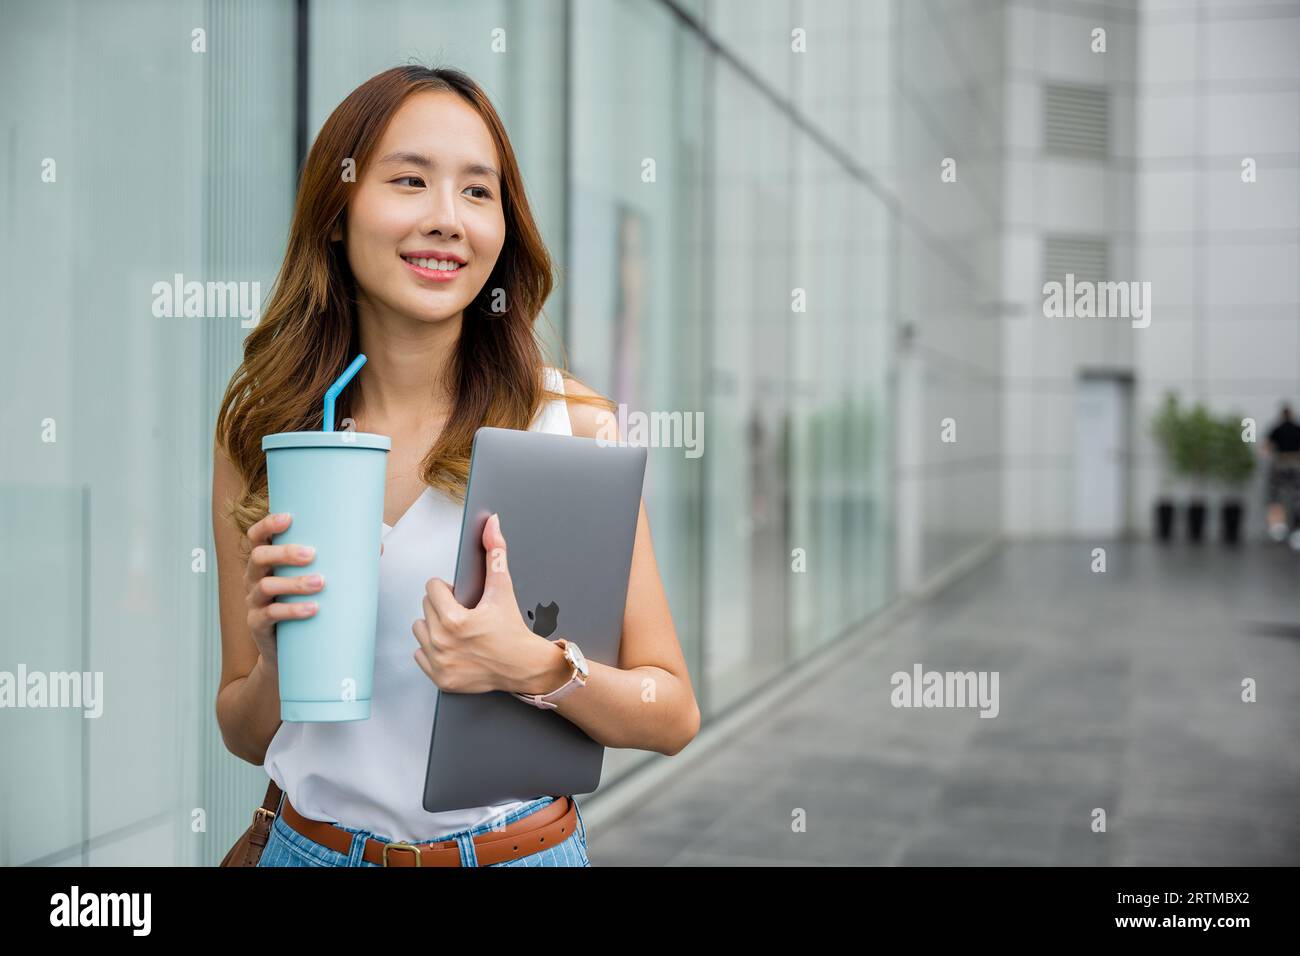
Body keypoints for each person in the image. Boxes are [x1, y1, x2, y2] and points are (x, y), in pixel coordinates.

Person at [212, 65, 700, 866]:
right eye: (409, 181)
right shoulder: (268, 431)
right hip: (309, 850)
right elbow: (241, 729)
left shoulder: (569, 426)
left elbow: (671, 711)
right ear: (336, 215)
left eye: (479, 192)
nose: (447, 220)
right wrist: (273, 662)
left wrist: (533, 667)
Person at [1264, 403, 1300, 548]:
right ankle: (1296, 531)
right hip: (1295, 464)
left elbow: (1267, 446)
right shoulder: (1297, 428)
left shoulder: (1277, 429)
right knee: (1297, 498)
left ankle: (1278, 528)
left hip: (1280, 464)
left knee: (1275, 496)